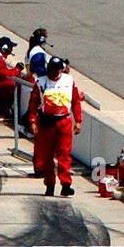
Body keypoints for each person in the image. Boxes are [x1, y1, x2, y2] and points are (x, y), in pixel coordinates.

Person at [27, 55, 83, 197]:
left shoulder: (69, 81)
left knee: (64, 154)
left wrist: (78, 120)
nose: (55, 72)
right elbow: (33, 103)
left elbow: (76, 101)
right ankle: (50, 185)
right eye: (52, 69)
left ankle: (66, 185)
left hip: (64, 121)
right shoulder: (40, 82)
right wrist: (33, 121)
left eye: (57, 70)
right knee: (47, 156)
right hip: (46, 122)